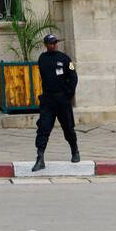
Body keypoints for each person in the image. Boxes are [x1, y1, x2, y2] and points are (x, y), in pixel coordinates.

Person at [31, 33, 80, 172]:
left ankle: (74, 150)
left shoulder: (64, 58)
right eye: (50, 43)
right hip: (48, 100)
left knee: (68, 128)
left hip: (62, 100)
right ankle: (40, 158)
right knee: (43, 129)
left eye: (54, 43)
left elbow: (73, 77)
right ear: (46, 44)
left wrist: (68, 95)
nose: (52, 45)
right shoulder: (42, 58)